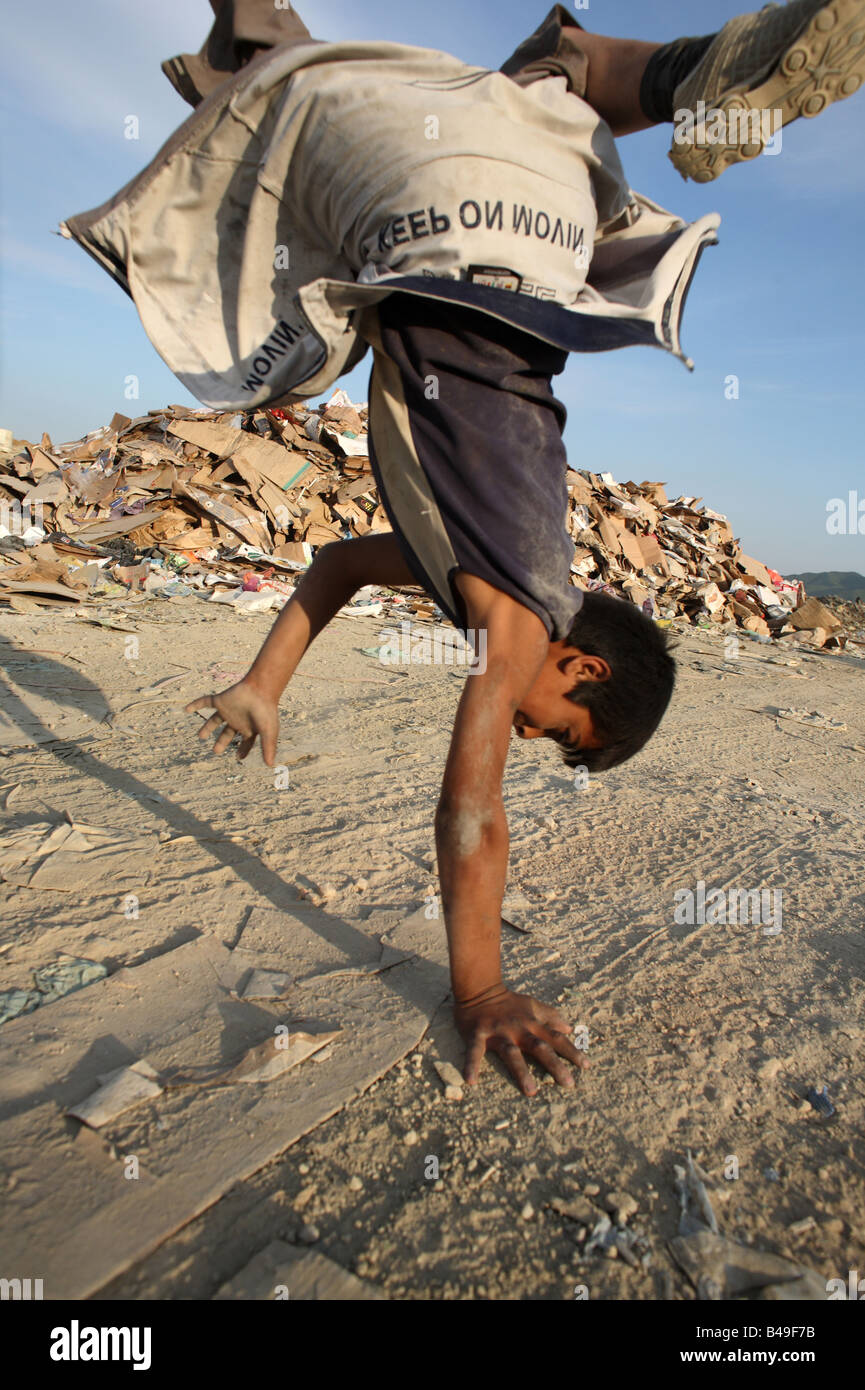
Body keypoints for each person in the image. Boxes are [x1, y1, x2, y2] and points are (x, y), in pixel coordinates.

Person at [63, 2, 864, 1095]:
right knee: (285, 120)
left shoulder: (499, 560)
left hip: (529, 219)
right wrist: (480, 988)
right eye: (552, 725)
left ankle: (682, 72)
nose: (524, 729)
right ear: (582, 662)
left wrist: (263, 684)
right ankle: (267, 45)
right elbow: (470, 807)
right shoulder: (519, 618)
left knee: (533, 87)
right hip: (445, 239)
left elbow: (340, 564)